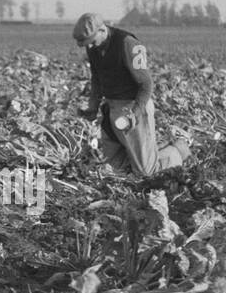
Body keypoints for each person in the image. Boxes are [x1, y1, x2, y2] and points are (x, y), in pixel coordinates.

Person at [73, 12, 189, 176]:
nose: (89, 47)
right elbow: (97, 79)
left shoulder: (127, 44)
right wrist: (92, 107)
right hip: (111, 109)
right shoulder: (94, 47)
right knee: (115, 168)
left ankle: (179, 149)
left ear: (102, 30)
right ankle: (152, 153)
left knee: (146, 172)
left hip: (133, 107)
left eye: (91, 42)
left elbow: (146, 84)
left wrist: (135, 112)